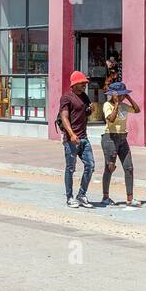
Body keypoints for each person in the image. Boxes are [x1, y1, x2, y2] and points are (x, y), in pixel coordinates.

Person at [57, 71, 95, 208]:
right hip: (71, 139)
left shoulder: (84, 96)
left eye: (85, 83)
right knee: (70, 168)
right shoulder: (66, 98)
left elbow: (85, 113)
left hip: (84, 138)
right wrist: (71, 134)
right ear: (74, 84)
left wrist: (90, 110)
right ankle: (69, 197)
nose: (84, 85)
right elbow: (64, 117)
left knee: (90, 165)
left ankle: (81, 195)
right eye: (82, 83)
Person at [100, 81, 141, 206]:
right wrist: (116, 104)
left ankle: (130, 198)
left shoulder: (124, 105)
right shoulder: (107, 105)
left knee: (129, 167)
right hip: (110, 138)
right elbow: (111, 119)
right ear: (113, 95)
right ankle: (105, 197)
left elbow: (137, 110)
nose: (122, 96)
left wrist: (129, 98)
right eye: (121, 94)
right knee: (110, 168)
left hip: (123, 138)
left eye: (124, 94)